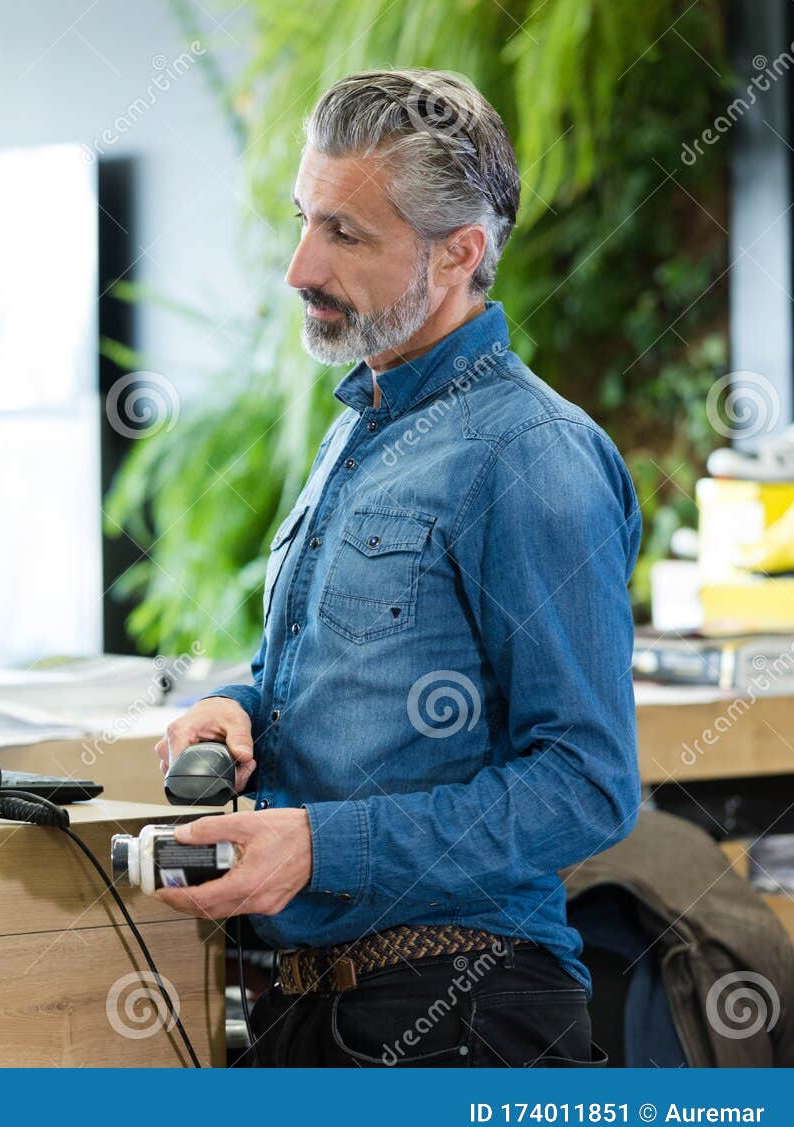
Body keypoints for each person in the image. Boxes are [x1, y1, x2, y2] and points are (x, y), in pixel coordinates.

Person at [152, 70, 641, 1067]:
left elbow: (588, 784)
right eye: (303, 220)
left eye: (344, 233)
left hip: (463, 1019)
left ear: (460, 253)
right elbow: (356, 679)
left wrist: (323, 845)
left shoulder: (529, 455)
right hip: (311, 1014)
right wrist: (237, 705)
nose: (297, 267)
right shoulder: (363, 424)